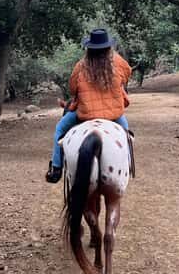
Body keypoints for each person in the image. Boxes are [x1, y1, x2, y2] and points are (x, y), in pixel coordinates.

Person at [45, 28, 132, 183]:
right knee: (126, 134)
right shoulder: (118, 62)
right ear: (108, 47)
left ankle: (56, 168)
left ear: (89, 48)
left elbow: (72, 88)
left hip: (85, 113)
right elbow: (127, 74)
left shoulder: (80, 65)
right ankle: (128, 163)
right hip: (114, 114)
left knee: (59, 129)